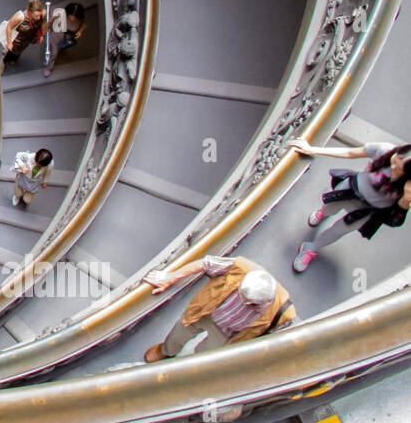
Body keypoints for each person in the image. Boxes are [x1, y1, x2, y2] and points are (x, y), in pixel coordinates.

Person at [287, 138, 411, 272]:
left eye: (399, 169)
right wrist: (313, 149)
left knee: (338, 232)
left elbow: (397, 216)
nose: (393, 168)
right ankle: (322, 213)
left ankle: (311, 248)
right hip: (350, 190)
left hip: (367, 210)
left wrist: (406, 198)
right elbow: (350, 153)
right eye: (394, 161)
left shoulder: (407, 184)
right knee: (329, 209)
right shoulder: (384, 150)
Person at [142, 256, 296, 362]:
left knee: (206, 355)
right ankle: (166, 351)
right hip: (205, 311)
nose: (242, 300)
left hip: (228, 335)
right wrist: (172, 276)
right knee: (179, 332)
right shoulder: (242, 267)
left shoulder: (284, 312)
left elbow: (271, 337)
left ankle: (192, 365)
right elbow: (205, 263)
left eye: (248, 302)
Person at [0, 0, 46, 73]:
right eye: (36, 16)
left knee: (19, 52)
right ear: (29, 12)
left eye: (39, 15)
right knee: (11, 52)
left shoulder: (42, 13)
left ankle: (13, 58)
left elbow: (43, 22)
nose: (39, 18)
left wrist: (42, 34)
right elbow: (9, 27)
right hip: (17, 41)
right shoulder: (20, 17)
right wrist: (9, 42)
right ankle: (3, 61)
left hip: (27, 39)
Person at [44, 2, 87, 77]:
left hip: (69, 38)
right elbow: (51, 21)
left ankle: (59, 49)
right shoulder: (61, 14)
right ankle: (49, 68)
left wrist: (80, 31)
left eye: (75, 16)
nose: (72, 18)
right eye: (71, 15)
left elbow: (84, 25)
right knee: (54, 53)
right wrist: (50, 24)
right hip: (58, 34)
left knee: (62, 47)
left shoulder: (80, 19)